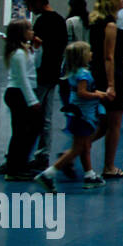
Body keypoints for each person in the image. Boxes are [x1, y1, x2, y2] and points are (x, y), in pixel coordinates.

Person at [34, 41, 109, 191]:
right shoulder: (84, 74)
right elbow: (82, 93)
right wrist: (98, 95)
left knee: (85, 145)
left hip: (78, 114)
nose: (91, 55)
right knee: (77, 148)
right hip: (83, 116)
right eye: (89, 52)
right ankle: (48, 174)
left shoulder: (74, 73)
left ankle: (89, 174)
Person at [88, 0, 123, 178]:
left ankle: (75, 151)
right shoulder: (110, 25)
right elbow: (109, 56)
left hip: (99, 73)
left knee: (104, 124)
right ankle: (109, 166)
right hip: (112, 75)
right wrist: (112, 84)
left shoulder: (95, 22)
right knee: (114, 123)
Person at [23, 0, 67, 170]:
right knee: (47, 118)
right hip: (53, 74)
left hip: (40, 75)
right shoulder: (60, 21)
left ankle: (19, 156)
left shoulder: (41, 23)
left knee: (29, 117)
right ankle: (43, 154)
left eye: (31, 6)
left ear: (39, 2)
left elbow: (36, 50)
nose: (30, 10)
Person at [0, 19, 42, 181]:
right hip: (18, 94)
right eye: (29, 29)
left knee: (25, 132)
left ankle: (19, 164)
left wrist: (37, 50)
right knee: (20, 133)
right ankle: (14, 169)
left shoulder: (26, 51)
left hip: (22, 93)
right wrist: (32, 101)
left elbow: (34, 66)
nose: (32, 32)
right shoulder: (17, 54)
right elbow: (23, 79)